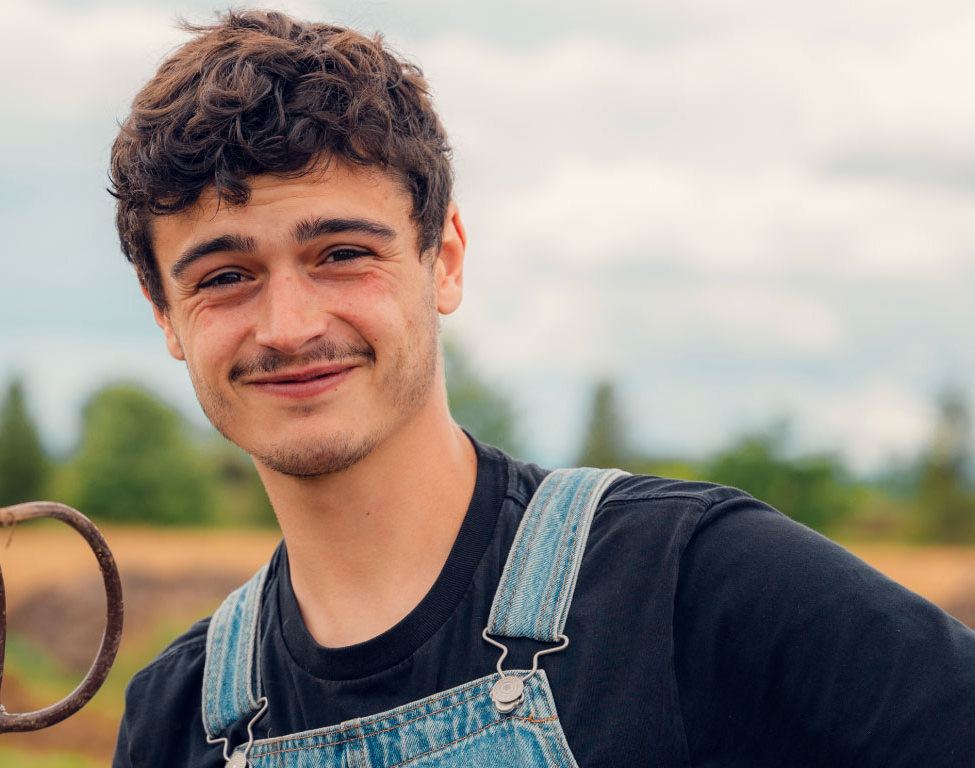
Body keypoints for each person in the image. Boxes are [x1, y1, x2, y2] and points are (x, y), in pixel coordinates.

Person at [106, 10, 975, 767]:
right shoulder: (176, 720)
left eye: (341, 253)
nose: (289, 326)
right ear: (163, 314)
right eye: (225, 276)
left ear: (444, 260)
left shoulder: (691, 585)